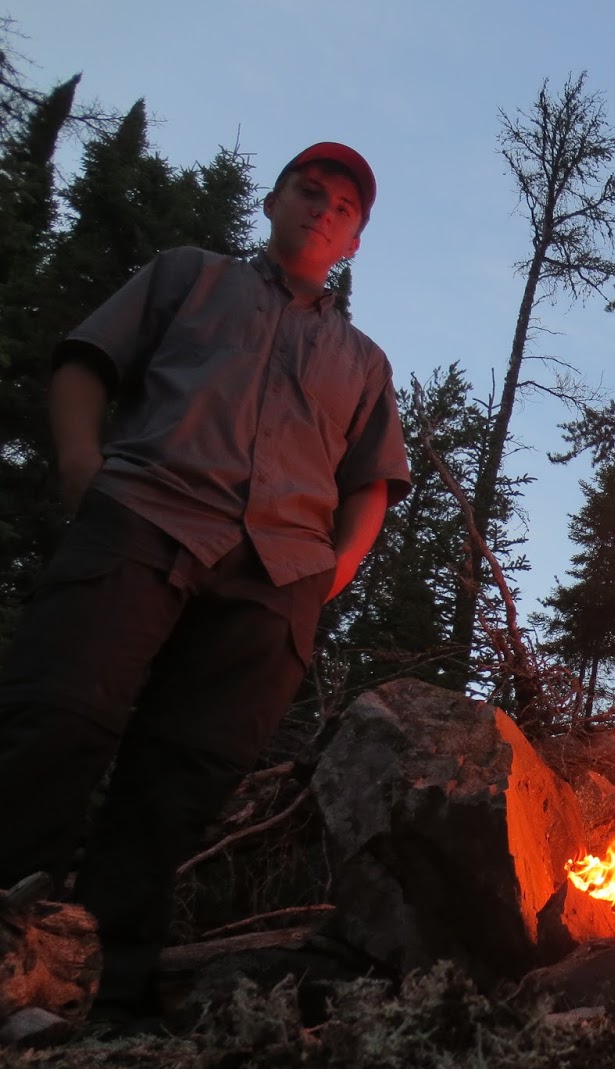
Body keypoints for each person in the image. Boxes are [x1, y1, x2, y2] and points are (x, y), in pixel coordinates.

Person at [0, 141, 412, 1024]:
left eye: (345, 207)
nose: (323, 208)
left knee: (180, 780)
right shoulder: (189, 277)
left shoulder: (362, 360)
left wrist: (328, 577)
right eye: (310, 190)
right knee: (54, 721)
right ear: (273, 200)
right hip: (145, 517)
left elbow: (371, 481)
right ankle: (8, 950)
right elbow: (86, 361)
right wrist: (82, 470)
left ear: (356, 242)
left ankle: (109, 999)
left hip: (275, 580)